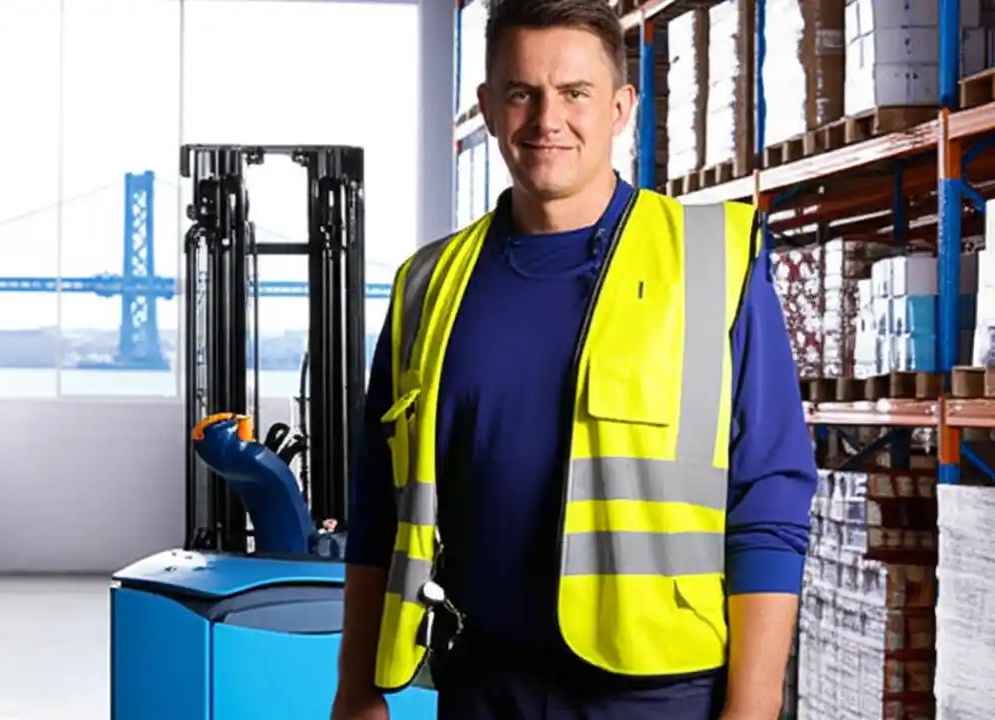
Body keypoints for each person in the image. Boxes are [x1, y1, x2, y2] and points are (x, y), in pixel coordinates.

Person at [330, 0, 818, 719]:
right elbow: (379, 506)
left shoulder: (711, 264)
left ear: (621, 107)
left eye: (575, 94)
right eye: (523, 92)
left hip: (659, 694)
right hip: (482, 686)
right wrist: (356, 687)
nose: (547, 119)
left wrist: (750, 711)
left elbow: (769, 502)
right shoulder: (425, 287)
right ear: (489, 108)